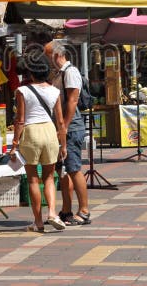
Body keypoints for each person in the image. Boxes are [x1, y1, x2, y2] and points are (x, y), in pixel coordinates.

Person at [8, 53, 67, 232]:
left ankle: (38, 222)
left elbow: (20, 120)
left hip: (31, 133)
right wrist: (62, 145)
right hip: (49, 132)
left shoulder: (22, 91)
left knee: (33, 179)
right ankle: (52, 212)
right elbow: (61, 122)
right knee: (49, 177)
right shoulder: (55, 91)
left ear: (31, 74)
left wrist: (15, 144)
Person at [45, 41, 92, 227]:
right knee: (62, 170)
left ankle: (85, 211)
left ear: (57, 55)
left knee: (73, 168)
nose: (47, 61)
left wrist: (64, 126)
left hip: (71, 128)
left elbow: (72, 101)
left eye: (48, 56)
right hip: (61, 126)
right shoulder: (58, 73)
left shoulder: (70, 72)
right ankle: (66, 210)